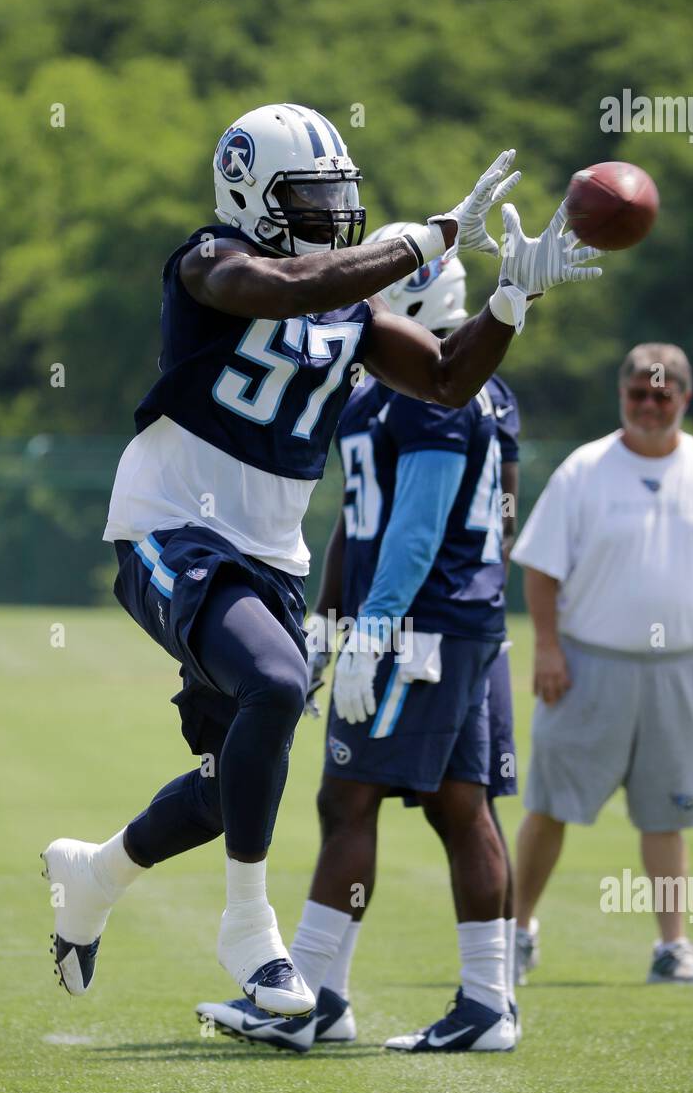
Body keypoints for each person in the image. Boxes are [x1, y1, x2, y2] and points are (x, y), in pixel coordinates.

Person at [41, 101, 603, 1015]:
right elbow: (289, 288)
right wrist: (431, 238)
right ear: (248, 194)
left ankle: (94, 875)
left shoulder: (349, 296)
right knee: (275, 678)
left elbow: (448, 378)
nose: (331, 215)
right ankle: (248, 929)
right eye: (307, 196)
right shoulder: (209, 263)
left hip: (271, 554)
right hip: (170, 524)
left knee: (234, 786)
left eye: (339, 197)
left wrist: (510, 300)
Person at [196, 227, 523, 1053]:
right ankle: (487, 1001)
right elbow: (370, 519)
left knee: (348, 799)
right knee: (460, 805)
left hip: (420, 623)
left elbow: (414, 528)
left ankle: (313, 997)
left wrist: (373, 632)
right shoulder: (461, 390)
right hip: (462, 620)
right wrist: (326, 619)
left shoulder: (419, 392)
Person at [510, 343, 693, 985]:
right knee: (549, 804)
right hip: (587, 663)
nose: (649, 405)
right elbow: (541, 567)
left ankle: (671, 947)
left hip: (680, 668)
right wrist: (548, 648)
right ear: (622, 395)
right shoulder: (584, 469)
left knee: (669, 810)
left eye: (663, 394)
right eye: (638, 394)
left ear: (683, 398)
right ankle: (515, 932)